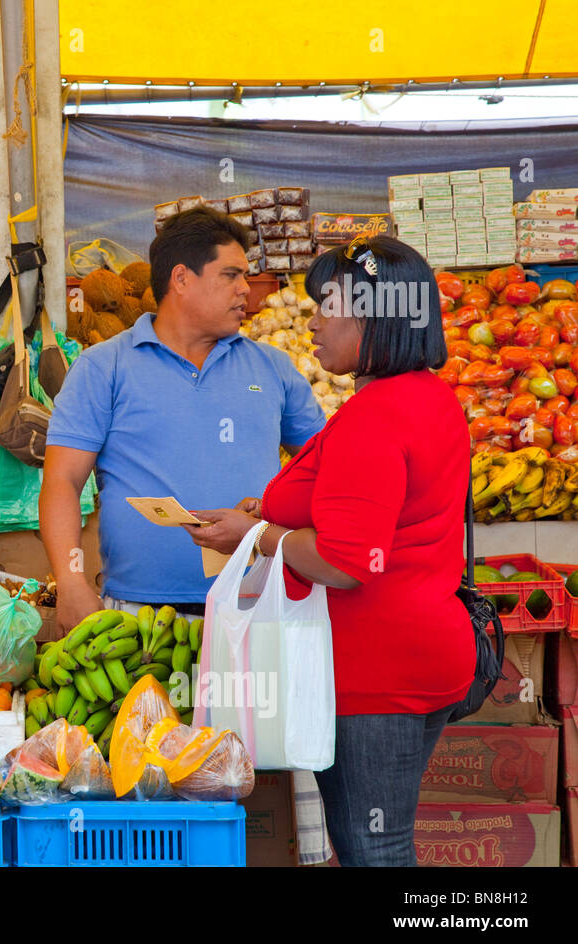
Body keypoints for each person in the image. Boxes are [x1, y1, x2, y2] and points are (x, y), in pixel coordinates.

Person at [186, 235, 474, 867]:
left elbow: (347, 562)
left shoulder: (375, 417)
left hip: (376, 671)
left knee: (374, 847)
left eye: (328, 306)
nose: (313, 321)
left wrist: (256, 537)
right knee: (378, 840)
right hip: (424, 652)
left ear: (376, 315)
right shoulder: (429, 397)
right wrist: (276, 513)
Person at [40, 207, 326, 632]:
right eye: (231, 275)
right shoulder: (104, 367)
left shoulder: (273, 367)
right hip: (137, 618)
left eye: (245, 277)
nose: (246, 291)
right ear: (181, 279)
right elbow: (62, 481)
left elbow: (328, 467)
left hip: (257, 608)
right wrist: (69, 578)